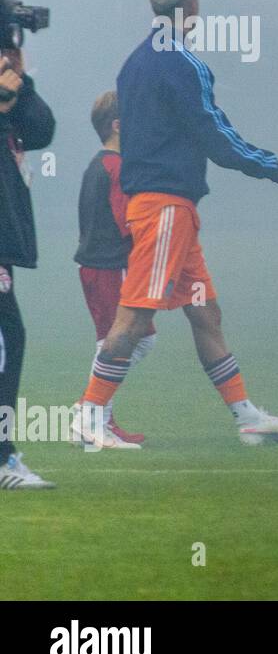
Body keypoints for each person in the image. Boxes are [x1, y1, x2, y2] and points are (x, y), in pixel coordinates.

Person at [71, 0, 278, 447]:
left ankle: (247, 418)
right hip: (167, 208)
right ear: (193, 6)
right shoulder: (183, 63)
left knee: (205, 314)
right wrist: (270, 166)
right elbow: (215, 135)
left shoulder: (133, 63)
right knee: (134, 317)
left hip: (164, 206)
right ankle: (89, 414)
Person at [71, 90, 154, 448]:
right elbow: (129, 223)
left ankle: (98, 413)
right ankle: (89, 414)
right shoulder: (117, 167)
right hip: (110, 269)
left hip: (98, 268)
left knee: (137, 339)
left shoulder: (99, 163)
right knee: (117, 341)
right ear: (118, 126)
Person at [0, 1, 56, 489]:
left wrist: (17, 89)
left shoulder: (9, 80)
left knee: (8, 338)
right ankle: (1, 459)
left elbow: (42, 130)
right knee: (5, 339)